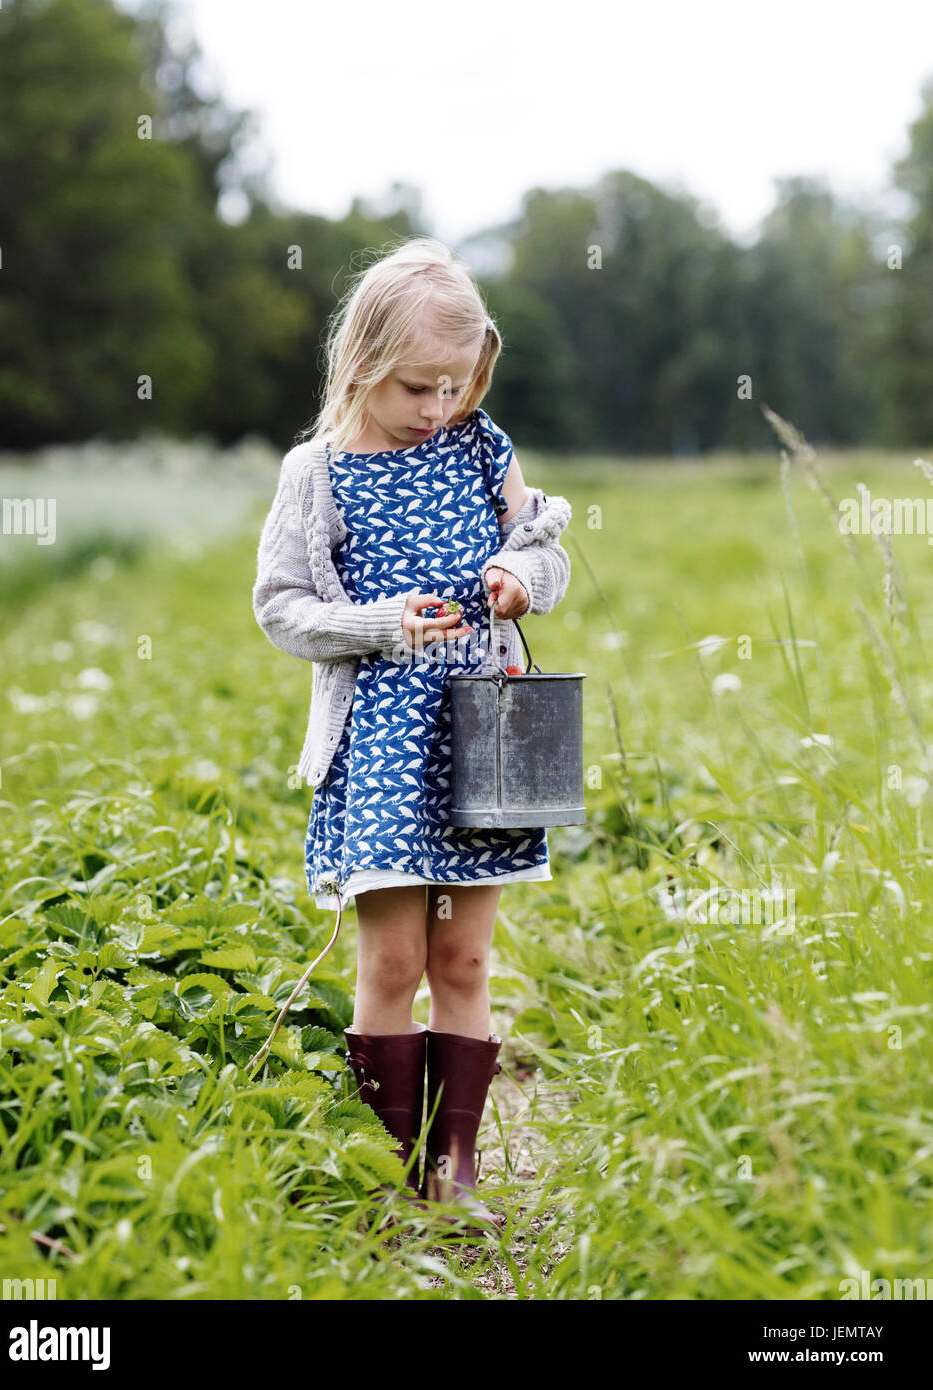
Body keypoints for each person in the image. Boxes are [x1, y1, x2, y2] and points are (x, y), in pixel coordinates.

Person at [252, 237, 572, 1229]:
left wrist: (523, 583)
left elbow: (542, 549)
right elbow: (280, 606)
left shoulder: (483, 446)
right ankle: (386, 1167)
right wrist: (385, 622)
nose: (436, 408)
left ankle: (458, 1166)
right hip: (386, 740)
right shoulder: (317, 473)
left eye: (453, 384)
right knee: (392, 962)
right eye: (413, 388)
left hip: (488, 724)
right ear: (360, 365)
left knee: (464, 962)